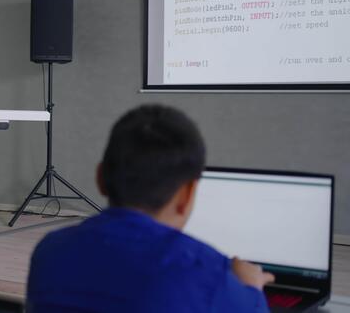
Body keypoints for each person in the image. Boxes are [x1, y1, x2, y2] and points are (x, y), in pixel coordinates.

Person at [26, 105, 273, 313]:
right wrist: (251, 287)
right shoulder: (208, 273)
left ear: (100, 178)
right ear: (186, 195)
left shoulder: (49, 251)